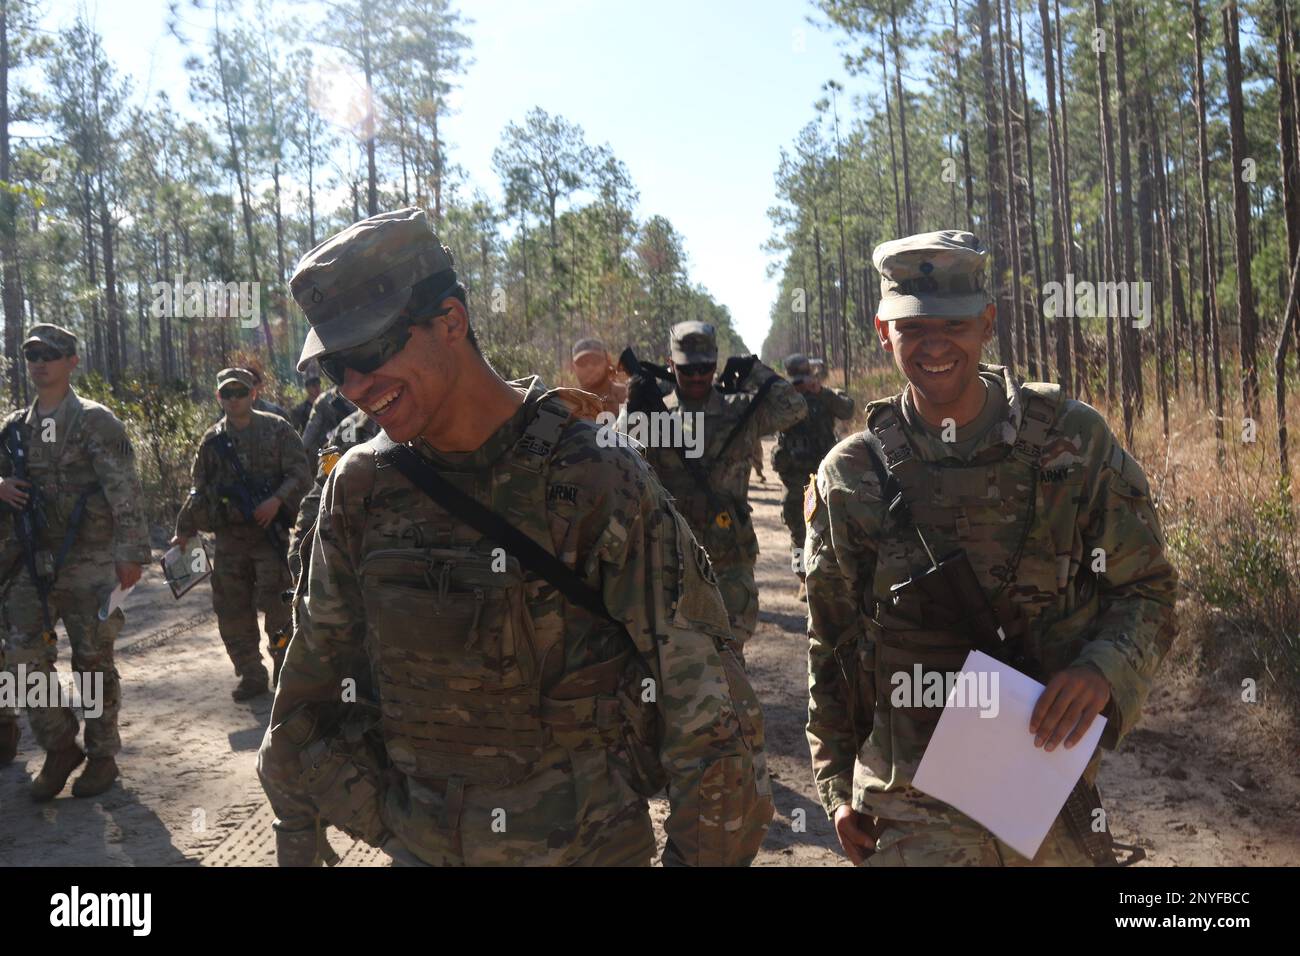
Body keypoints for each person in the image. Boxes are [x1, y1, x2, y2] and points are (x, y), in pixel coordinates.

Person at [257, 207, 772, 867]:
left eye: (369, 353)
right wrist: (308, 831)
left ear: (450, 322)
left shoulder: (592, 475)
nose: (354, 387)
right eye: (335, 369)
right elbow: (309, 683)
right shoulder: (361, 487)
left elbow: (709, 704)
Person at [804, 230, 1179, 866]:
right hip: (908, 801)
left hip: (1040, 790)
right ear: (883, 331)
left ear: (987, 322)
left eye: (953, 323)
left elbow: (1146, 589)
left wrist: (1102, 671)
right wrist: (837, 784)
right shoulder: (852, 474)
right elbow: (833, 641)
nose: (934, 343)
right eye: (913, 325)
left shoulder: (1070, 441)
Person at [0, 323, 149, 799]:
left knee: (92, 662)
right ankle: (61, 744)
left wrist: (130, 553)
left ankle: (102, 756)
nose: (40, 362)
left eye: (52, 353)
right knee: (21, 663)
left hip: (91, 562)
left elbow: (124, 487)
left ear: (72, 362)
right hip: (32, 563)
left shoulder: (96, 421)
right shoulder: (14, 429)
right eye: (32, 354)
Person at [634, 321, 805, 653]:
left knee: (728, 656)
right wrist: (632, 410)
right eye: (687, 368)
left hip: (729, 555)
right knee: (672, 659)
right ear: (671, 363)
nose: (698, 375)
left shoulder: (741, 409)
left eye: (706, 367)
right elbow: (619, 463)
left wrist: (758, 371)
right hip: (669, 556)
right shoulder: (656, 413)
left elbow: (795, 409)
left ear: (716, 363)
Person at [172, 368, 311, 700]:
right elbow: (199, 489)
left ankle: (283, 663)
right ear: (219, 397)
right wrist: (184, 530)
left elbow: (301, 473)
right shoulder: (213, 441)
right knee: (232, 610)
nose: (234, 399)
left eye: (240, 392)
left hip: (269, 537)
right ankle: (250, 673)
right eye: (227, 393)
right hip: (230, 539)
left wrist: (276, 501)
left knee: (279, 607)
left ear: (253, 394)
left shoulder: (277, 429)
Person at [773, 353, 855, 601]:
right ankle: (803, 577)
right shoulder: (783, 400)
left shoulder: (825, 396)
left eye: (805, 378)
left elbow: (848, 410)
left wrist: (822, 392)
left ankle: (832, 575)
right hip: (796, 478)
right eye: (796, 380)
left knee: (831, 525)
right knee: (798, 528)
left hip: (825, 475)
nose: (802, 385)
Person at [570, 337, 627, 417]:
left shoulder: (627, 396)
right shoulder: (568, 403)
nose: (589, 367)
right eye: (582, 362)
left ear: (607, 362)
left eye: (595, 361)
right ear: (573, 367)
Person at [300, 383, 356, 459]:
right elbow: (312, 429)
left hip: (356, 448)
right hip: (333, 450)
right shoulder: (323, 401)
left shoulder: (362, 395)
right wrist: (301, 450)